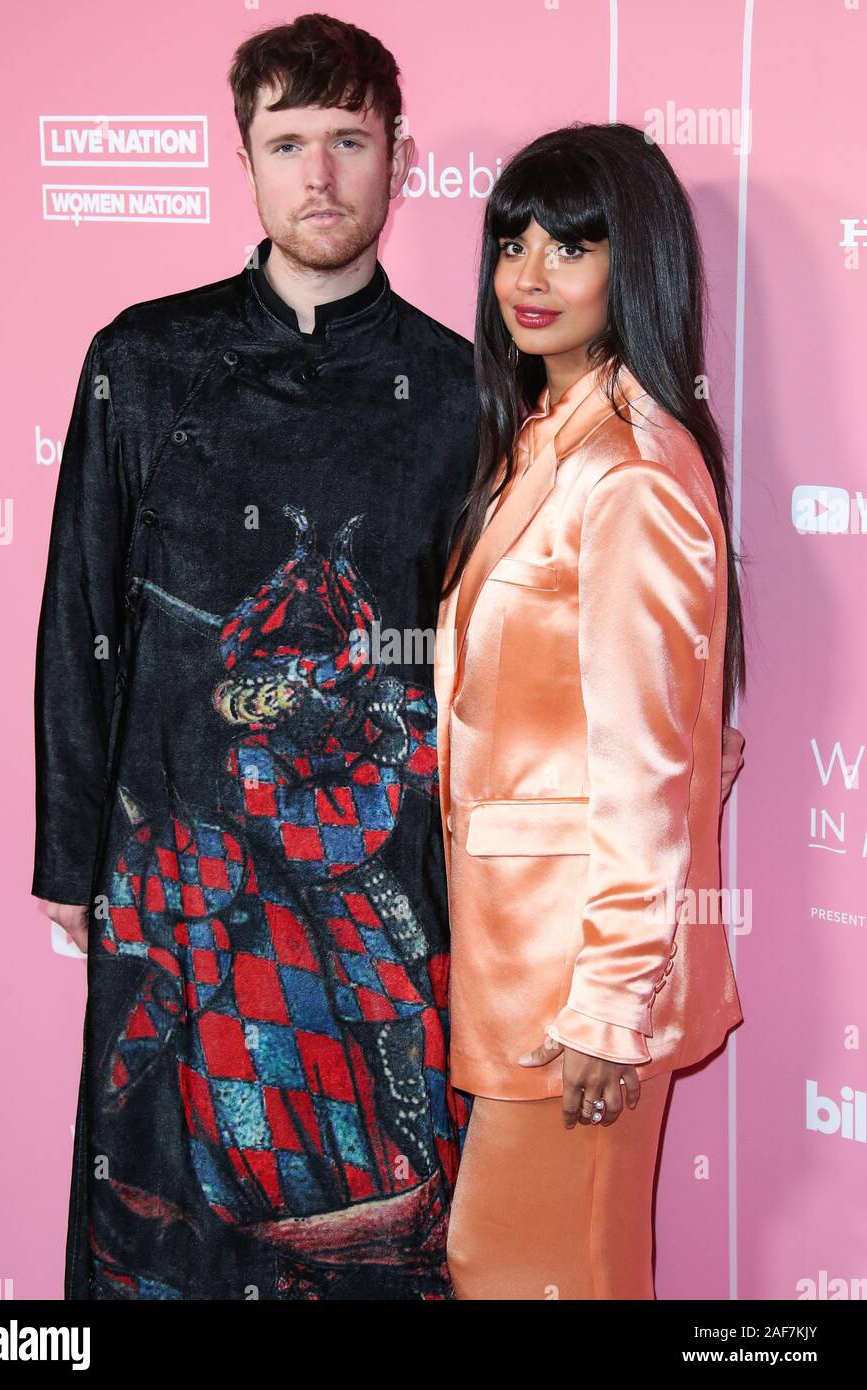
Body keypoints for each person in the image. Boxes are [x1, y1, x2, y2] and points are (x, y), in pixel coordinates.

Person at [31, 12, 482, 1301]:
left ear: (400, 156)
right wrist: (73, 852)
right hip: (169, 847)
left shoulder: (461, 391)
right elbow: (80, 611)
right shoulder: (141, 360)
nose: (321, 176)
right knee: (162, 1204)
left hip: (391, 863)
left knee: (381, 1201)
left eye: (350, 139)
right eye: (289, 143)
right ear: (245, 157)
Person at [434, 123, 746, 1300]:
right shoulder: (539, 445)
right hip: (525, 965)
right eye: (511, 241)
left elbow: (649, 768)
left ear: (637, 262)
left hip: (580, 987)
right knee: (546, 1271)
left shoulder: (627, 474)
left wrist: (611, 1010)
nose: (529, 273)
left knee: (528, 1272)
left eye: (571, 245)